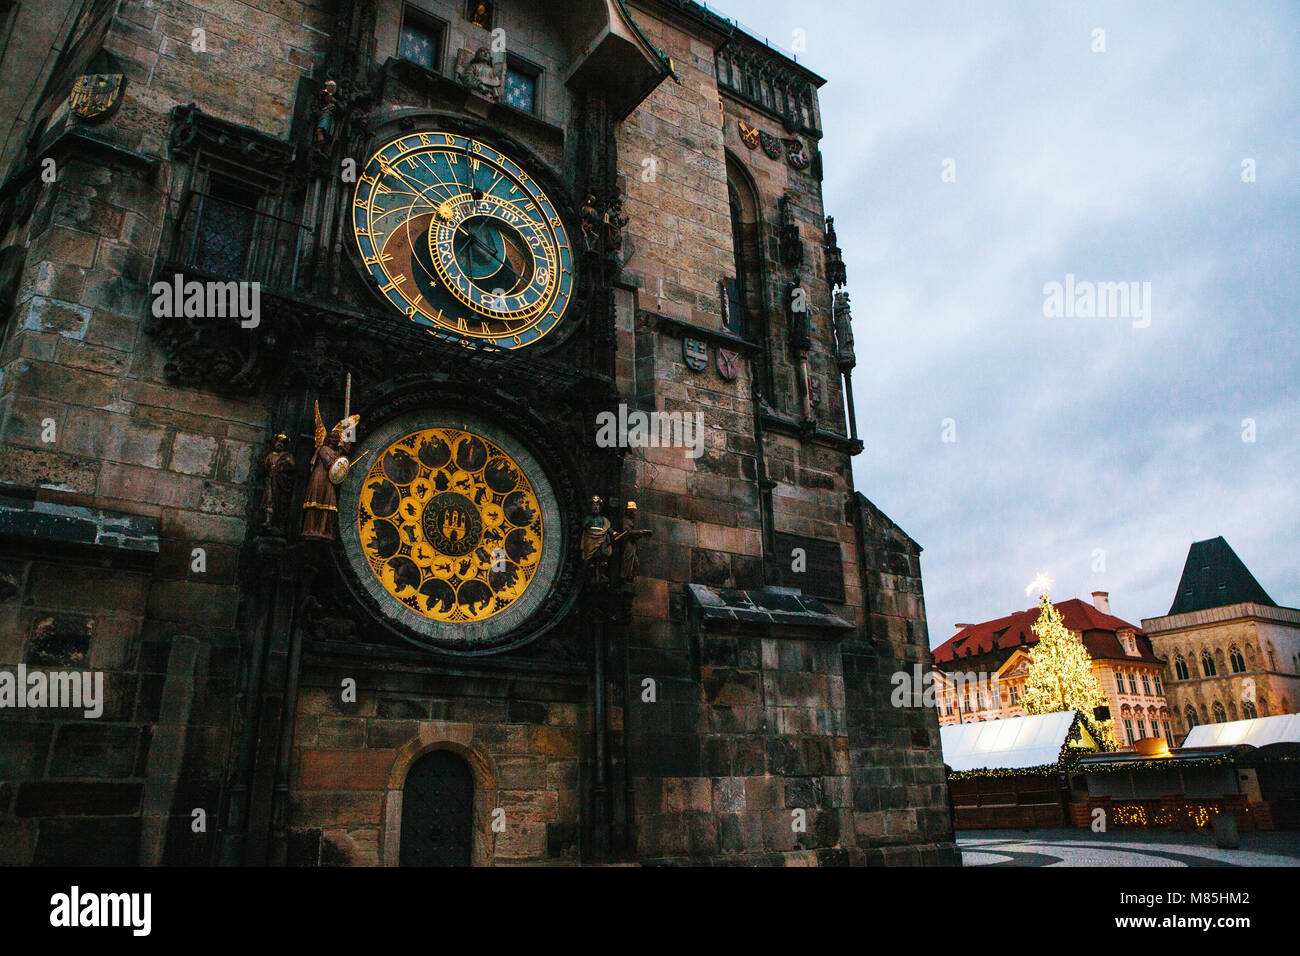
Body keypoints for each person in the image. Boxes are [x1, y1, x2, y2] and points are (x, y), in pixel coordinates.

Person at [302, 404, 359, 542]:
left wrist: (349, 433)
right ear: (328, 438)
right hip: (320, 477)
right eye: (333, 437)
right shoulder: (323, 449)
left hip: (329, 480)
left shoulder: (336, 452)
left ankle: (324, 530)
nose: (335, 439)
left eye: (336, 437)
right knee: (316, 502)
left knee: (329, 504)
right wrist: (341, 466)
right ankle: (310, 529)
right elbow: (330, 464)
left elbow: (346, 452)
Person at [260, 433, 295, 532]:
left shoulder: (287, 456)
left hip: (281, 484)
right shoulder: (271, 455)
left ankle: (279, 524)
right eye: (278, 442)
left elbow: (292, 466)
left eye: (282, 443)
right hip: (271, 482)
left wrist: (283, 464)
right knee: (269, 501)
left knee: (280, 503)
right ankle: (268, 521)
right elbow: (264, 468)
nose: (279, 444)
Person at [580, 495, 612, 583]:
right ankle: (592, 575)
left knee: (603, 559)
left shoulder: (603, 520)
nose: (595, 507)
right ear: (591, 507)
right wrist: (586, 524)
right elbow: (584, 525)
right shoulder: (588, 518)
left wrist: (613, 532)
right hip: (590, 540)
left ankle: (601, 574)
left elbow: (607, 528)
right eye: (594, 505)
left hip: (601, 539)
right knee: (591, 561)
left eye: (597, 505)